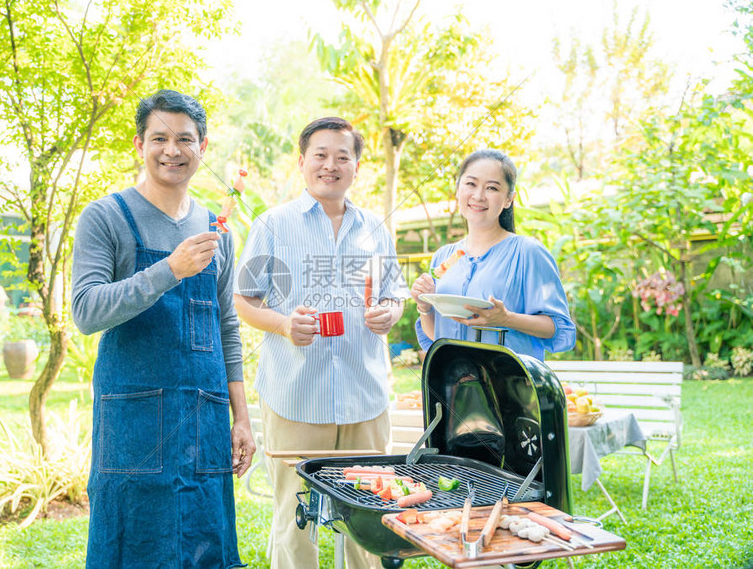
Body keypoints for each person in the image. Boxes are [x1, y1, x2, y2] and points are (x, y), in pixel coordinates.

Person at [71, 89, 254, 569]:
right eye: (159, 138)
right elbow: (87, 311)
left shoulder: (217, 229)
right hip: (134, 422)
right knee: (134, 543)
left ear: (203, 147)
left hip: (205, 419)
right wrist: (169, 269)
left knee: (205, 540)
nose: (172, 150)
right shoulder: (105, 217)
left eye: (184, 139)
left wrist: (242, 416)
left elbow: (226, 325)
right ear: (139, 144)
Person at [234, 117, 407, 569]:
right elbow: (243, 301)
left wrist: (390, 312)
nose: (330, 165)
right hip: (296, 395)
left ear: (355, 167)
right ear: (302, 162)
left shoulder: (375, 229)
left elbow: (395, 295)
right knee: (296, 518)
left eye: (342, 156)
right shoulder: (272, 225)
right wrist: (283, 324)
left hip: (364, 396)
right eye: (321, 155)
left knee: (370, 514)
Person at [410, 149, 575, 360]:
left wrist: (506, 318)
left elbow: (560, 331)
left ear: (508, 199)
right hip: (452, 385)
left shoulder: (528, 253)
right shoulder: (443, 257)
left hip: (509, 386)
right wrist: (424, 307)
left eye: (492, 188)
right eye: (471, 184)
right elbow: (438, 336)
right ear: (458, 190)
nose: (478, 196)